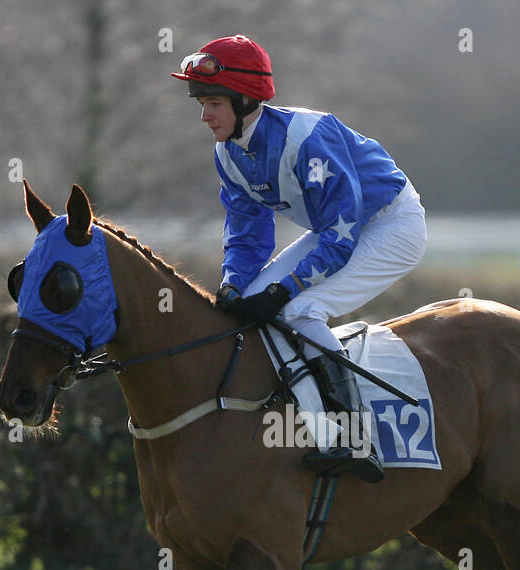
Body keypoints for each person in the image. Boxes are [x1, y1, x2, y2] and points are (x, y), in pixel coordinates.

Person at [171, 34, 428, 482]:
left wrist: (284, 288)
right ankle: (285, 418)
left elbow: (340, 236)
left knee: (302, 309)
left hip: (391, 225)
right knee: (249, 301)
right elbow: (247, 234)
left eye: (213, 101)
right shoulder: (228, 154)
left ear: (245, 99)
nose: (204, 115)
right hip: (335, 231)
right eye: (201, 102)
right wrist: (233, 284)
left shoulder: (309, 139)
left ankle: (353, 437)